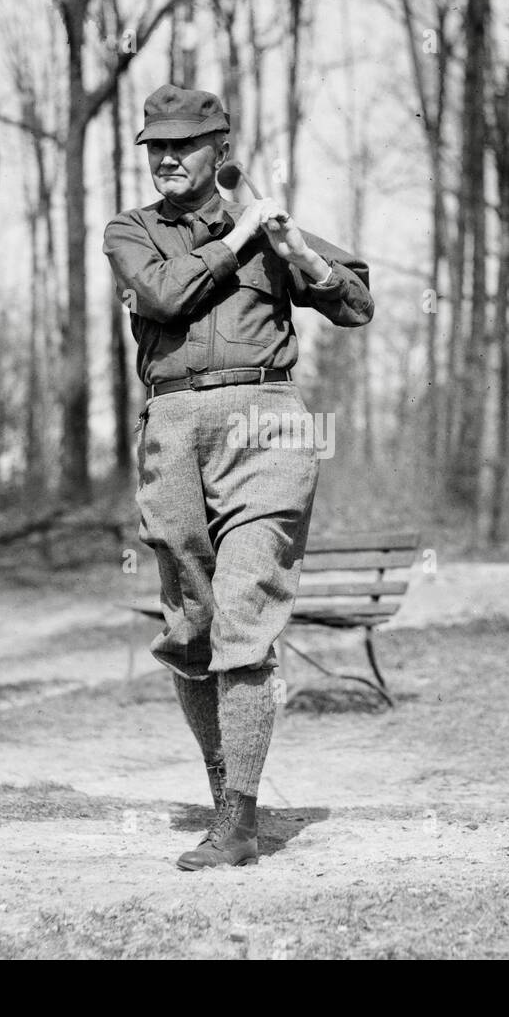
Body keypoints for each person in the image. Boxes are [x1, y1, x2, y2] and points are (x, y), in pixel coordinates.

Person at [103, 84, 373, 870]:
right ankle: (228, 786)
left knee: (245, 608)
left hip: (267, 423)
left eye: (183, 145)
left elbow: (354, 301)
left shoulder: (264, 224)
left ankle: (241, 820)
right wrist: (241, 236)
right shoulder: (133, 230)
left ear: (219, 150)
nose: (166, 159)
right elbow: (161, 290)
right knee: (190, 627)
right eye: (155, 145)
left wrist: (295, 251)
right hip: (174, 423)